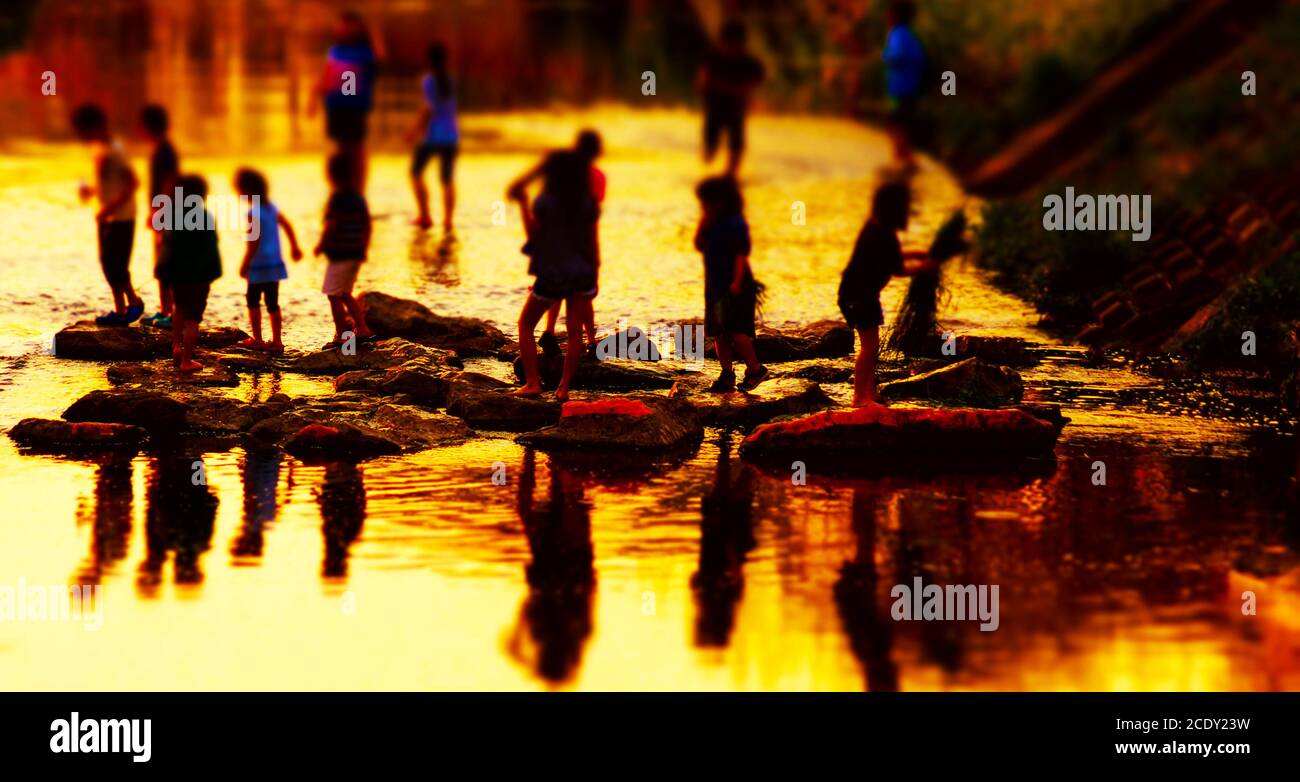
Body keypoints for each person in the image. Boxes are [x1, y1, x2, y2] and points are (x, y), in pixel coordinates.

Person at [838, 181, 936, 407]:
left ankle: (868, 393)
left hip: (859, 294)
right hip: (859, 296)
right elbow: (899, 269)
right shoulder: (881, 234)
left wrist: (916, 253)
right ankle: (860, 397)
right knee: (869, 346)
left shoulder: (875, 227)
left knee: (870, 346)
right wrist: (925, 267)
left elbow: (891, 258)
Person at [511, 151, 599, 401]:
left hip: (553, 271)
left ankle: (532, 383)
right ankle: (563, 389)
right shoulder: (587, 201)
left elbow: (534, 236)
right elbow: (592, 240)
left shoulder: (546, 201)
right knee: (574, 332)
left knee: (526, 324)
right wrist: (595, 272)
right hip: (582, 270)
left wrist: (522, 203)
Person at [507, 130, 605, 355]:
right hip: (580, 258)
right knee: (576, 319)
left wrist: (523, 201)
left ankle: (549, 335)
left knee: (530, 318)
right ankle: (584, 349)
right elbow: (591, 225)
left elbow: (533, 228)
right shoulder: (591, 180)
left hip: (553, 261)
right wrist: (595, 264)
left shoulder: (549, 196)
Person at [72, 103, 144, 325]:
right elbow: (105, 183)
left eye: (85, 130)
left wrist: (110, 207)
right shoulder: (98, 149)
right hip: (105, 215)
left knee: (117, 264)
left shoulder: (116, 149)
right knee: (106, 262)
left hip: (121, 216)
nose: (83, 135)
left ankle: (133, 302)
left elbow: (133, 183)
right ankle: (119, 309)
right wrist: (90, 191)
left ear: (97, 126)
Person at [694, 176, 767, 392]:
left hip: (735, 284)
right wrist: (704, 220)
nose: (704, 205)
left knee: (735, 329)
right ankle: (727, 374)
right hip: (714, 285)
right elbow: (698, 244)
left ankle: (755, 369)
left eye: (707, 201)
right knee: (718, 331)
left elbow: (741, 255)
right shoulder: (712, 221)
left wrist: (736, 282)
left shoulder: (735, 222)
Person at [234, 168, 303, 353]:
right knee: (273, 302)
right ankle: (278, 341)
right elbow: (287, 225)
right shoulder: (270, 208)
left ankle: (257, 339)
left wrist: (245, 263)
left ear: (247, 190)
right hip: (274, 264)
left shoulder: (252, 212)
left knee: (253, 300)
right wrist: (295, 246)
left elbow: (253, 241)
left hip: (258, 264)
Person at [160, 174, 222, 373]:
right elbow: (213, 245)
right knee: (193, 318)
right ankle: (187, 361)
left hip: (178, 274)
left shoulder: (175, 216)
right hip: (199, 276)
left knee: (179, 310)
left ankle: (176, 347)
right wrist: (213, 271)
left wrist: (164, 271)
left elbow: (167, 246)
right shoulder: (205, 217)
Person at [313, 153, 374, 350]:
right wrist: (364, 247)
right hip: (355, 252)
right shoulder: (358, 197)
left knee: (333, 295)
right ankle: (363, 329)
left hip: (340, 254)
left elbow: (331, 224)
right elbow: (367, 224)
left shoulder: (337, 197)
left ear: (331, 175)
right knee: (346, 293)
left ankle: (343, 336)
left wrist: (321, 244)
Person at [313, 11, 378, 189]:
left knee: (355, 148)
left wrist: (373, 29)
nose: (342, 30)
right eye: (341, 26)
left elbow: (378, 63)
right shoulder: (335, 50)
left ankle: (358, 188)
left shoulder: (366, 52)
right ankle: (340, 187)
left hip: (355, 107)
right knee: (338, 148)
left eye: (347, 27)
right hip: (335, 106)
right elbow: (327, 75)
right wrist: (314, 97)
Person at [698, 19, 764, 176]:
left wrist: (742, 93)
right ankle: (711, 153)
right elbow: (702, 81)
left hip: (735, 108)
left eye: (735, 45)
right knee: (710, 144)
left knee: (737, 141)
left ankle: (731, 173)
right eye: (728, 44)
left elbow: (754, 83)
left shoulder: (749, 63)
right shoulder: (713, 59)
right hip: (715, 107)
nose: (731, 49)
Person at [407, 42, 459, 231]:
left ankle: (425, 215)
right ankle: (447, 220)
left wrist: (413, 132)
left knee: (415, 173)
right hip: (451, 136)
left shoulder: (428, 81)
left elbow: (427, 109)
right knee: (447, 179)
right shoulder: (451, 81)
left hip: (432, 136)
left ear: (428, 60)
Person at [139, 104, 179, 328]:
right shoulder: (162, 149)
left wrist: (159, 210)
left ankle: (171, 313)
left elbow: (169, 182)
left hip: (168, 213)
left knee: (166, 264)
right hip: (164, 211)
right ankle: (166, 309)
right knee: (161, 263)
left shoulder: (165, 151)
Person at [882, 1, 926, 169]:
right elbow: (920, 60)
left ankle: (902, 159)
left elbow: (897, 55)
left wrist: (885, 56)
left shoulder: (898, 34)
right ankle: (905, 158)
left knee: (896, 123)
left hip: (900, 88)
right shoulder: (909, 35)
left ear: (895, 16)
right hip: (910, 87)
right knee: (902, 122)